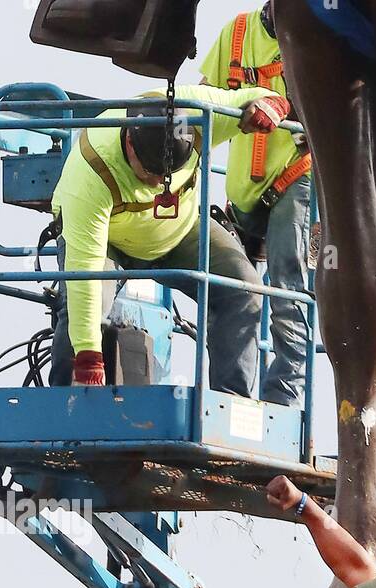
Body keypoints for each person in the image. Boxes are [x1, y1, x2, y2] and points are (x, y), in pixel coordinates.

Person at [49, 84, 289, 393]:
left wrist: (272, 104)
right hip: (110, 242)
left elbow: (250, 98)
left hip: (181, 231)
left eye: (169, 174)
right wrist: (88, 358)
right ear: (131, 144)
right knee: (87, 309)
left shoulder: (199, 115)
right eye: (150, 173)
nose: (157, 183)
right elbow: (84, 271)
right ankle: (65, 413)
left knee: (243, 288)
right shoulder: (91, 170)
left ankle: (228, 407)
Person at [200, 3, 313, 407]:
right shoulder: (238, 33)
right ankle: (233, 402)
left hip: (298, 176)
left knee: (288, 290)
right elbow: (200, 104)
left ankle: (282, 404)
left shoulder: (322, 32)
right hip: (242, 200)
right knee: (232, 290)